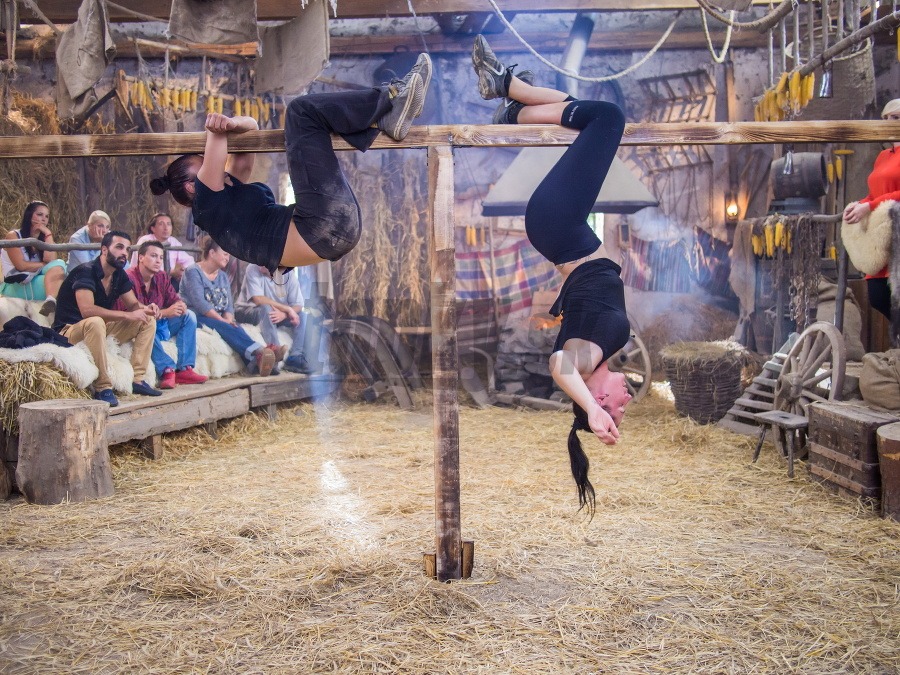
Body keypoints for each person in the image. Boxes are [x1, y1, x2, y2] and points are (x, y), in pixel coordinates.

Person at [472, 35, 633, 515]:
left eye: (616, 406)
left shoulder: (585, 359)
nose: (624, 403)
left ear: (598, 396)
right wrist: (593, 408)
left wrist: (593, 410)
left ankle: (512, 99)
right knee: (582, 114)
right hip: (563, 228)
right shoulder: (601, 348)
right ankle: (512, 96)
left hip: (559, 223)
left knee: (607, 118)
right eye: (617, 409)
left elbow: (557, 366)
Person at [148, 54, 432, 273]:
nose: (211, 164)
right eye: (202, 163)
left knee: (309, 120)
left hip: (330, 231)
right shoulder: (206, 206)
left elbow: (252, 129)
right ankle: (391, 99)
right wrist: (216, 128)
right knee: (300, 112)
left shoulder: (228, 197)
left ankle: (385, 115)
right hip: (320, 227)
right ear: (191, 185)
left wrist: (234, 122)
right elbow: (219, 137)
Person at [52, 230, 162, 407]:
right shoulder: (86, 271)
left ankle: (138, 380)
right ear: (104, 250)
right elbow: (87, 310)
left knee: (147, 321)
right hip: (69, 331)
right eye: (119, 247)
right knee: (95, 321)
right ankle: (103, 387)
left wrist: (147, 308)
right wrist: (127, 314)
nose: (124, 253)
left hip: (99, 328)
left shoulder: (119, 274)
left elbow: (133, 305)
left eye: (127, 249)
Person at [180, 239, 278, 377]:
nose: (228, 257)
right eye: (225, 254)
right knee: (226, 326)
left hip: (217, 317)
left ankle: (257, 363)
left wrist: (228, 318)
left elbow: (229, 305)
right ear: (212, 253)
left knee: (235, 327)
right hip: (197, 316)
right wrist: (222, 320)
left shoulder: (223, 276)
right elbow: (201, 304)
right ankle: (259, 352)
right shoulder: (193, 272)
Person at [842, 98, 900, 320]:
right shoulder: (883, 156)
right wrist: (861, 203)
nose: (887, 122)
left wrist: (870, 205)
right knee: (878, 296)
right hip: (882, 231)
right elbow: (875, 192)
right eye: (885, 118)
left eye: (894, 118)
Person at [123, 240, 208, 390]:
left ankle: (184, 369)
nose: (158, 261)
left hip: (160, 323)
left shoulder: (161, 276)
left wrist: (180, 305)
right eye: (154, 256)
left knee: (189, 316)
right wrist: (165, 312)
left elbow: (174, 300)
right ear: (141, 257)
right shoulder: (129, 277)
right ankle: (167, 370)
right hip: (139, 324)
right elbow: (132, 308)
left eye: (161, 257)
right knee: (147, 324)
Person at [235, 265, 313, 374]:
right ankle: (275, 355)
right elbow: (258, 300)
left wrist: (284, 314)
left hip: (276, 312)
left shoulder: (288, 274)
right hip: (247, 310)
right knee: (266, 308)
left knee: (302, 315)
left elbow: (298, 304)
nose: (260, 263)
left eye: (265, 261)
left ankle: (295, 357)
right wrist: (287, 309)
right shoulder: (252, 268)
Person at [0, 201, 67, 316]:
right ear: (29, 215)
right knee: (61, 281)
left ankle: (50, 302)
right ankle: (52, 301)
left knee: (60, 265)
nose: (44, 219)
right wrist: (44, 264)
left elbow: (53, 261)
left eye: (47, 216)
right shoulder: (13, 236)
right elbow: (21, 266)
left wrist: (48, 234)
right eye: (39, 214)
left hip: (33, 278)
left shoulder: (43, 238)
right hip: (17, 283)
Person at [130, 213, 195, 289]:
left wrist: (183, 270)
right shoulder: (145, 240)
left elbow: (189, 261)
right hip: (146, 280)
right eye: (161, 224)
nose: (166, 228)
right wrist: (171, 272)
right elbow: (144, 267)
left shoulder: (173, 241)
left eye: (169, 224)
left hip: (167, 280)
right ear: (153, 228)